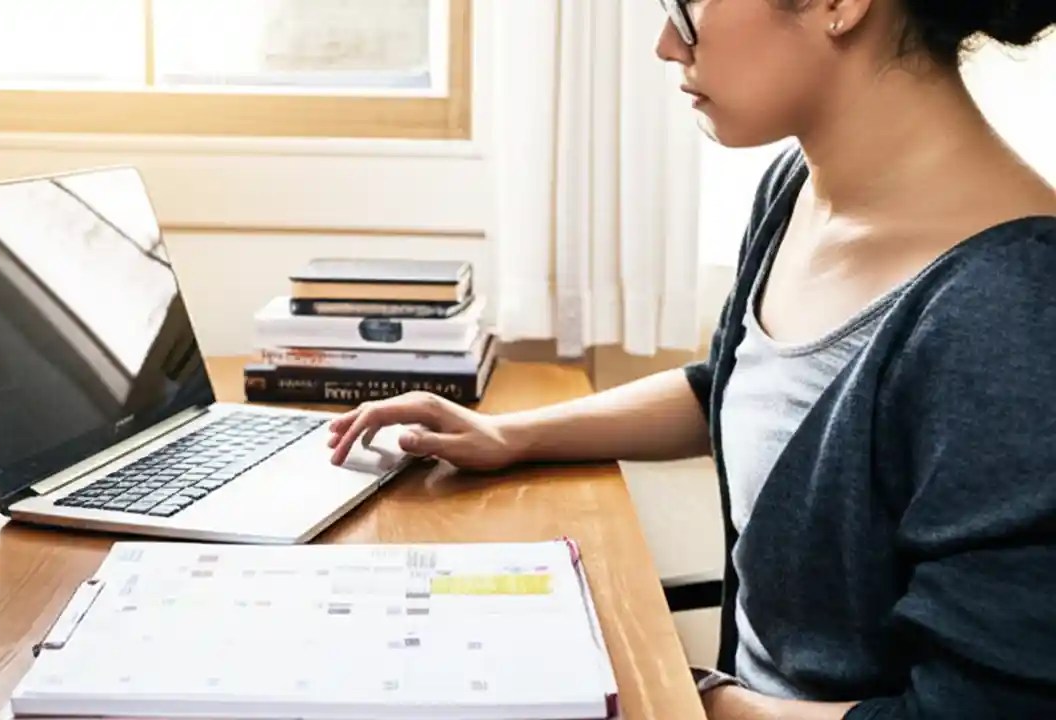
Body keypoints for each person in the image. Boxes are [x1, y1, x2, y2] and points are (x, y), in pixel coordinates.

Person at [326, 1, 1056, 718]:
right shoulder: (798, 189)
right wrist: (513, 435)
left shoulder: (1014, 312)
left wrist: (692, 695)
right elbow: (734, 387)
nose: (666, 46)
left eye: (686, 5)